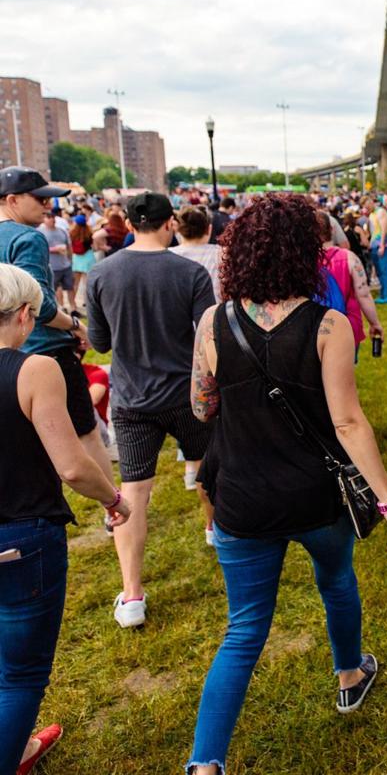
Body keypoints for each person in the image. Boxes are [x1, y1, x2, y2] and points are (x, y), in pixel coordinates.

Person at [186, 193, 387, 775]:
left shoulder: (213, 321)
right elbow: (347, 422)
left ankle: (205, 764)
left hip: (240, 495)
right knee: (336, 579)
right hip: (315, 495)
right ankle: (348, 673)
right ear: (304, 252)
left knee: (243, 629)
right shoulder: (329, 325)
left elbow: (202, 408)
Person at [0, 262, 127, 775]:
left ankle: (19, 746)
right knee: (22, 676)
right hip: (22, 536)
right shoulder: (33, 369)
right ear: (27, 315)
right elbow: (73, 465)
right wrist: (113, 499)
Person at [87, 193, 217, 626]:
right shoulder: (191, 272)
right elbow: (207, 336)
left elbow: (100, 343)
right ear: (169, 224)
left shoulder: (101, 273)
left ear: (128, 222)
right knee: (207, 470)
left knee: (133, 494)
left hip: (131, 400)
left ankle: (132, 596)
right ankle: (216, 532)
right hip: (185, 394)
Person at [0, 166, 114, 507]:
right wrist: (78, 328)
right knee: (85, 432)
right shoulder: (27, 238)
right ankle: (113, 507)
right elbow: (41, 304)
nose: (48, 206)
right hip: (42, 351)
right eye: (40, 199)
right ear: (12, 200)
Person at [319, 209, 384, 359]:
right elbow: (364, 295)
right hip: (347, 327)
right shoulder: (349, 258)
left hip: (315, 329)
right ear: (332, 229)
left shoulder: (303, 262)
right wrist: (375, 323)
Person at [172, 206, 223, 301]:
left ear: (179, 229)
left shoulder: (169, 254)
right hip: (213, 313)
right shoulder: (221, 254)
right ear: (209, 229)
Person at [39, 212, 75, 314]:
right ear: (44, 219)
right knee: (56, 288)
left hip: (65, 265)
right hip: (52, 266)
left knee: (70, 287)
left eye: (53, 217)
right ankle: (62, 307)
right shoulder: (40, 232)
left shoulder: (62, 231)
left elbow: (68, 246)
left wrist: (70, 260)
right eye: (49, 217)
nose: (52, 219)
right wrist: (55, 249)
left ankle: (73, 308)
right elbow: (40, 248)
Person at [365, 197, 387, 300]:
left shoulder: (380, 212)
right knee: (379, 271)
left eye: (367, 207)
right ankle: (384, 293)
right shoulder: (372, 214)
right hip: (374, 246)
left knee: (384, 270)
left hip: (383, 245)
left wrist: (382, 245)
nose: (366, 209)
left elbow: (384, 229)